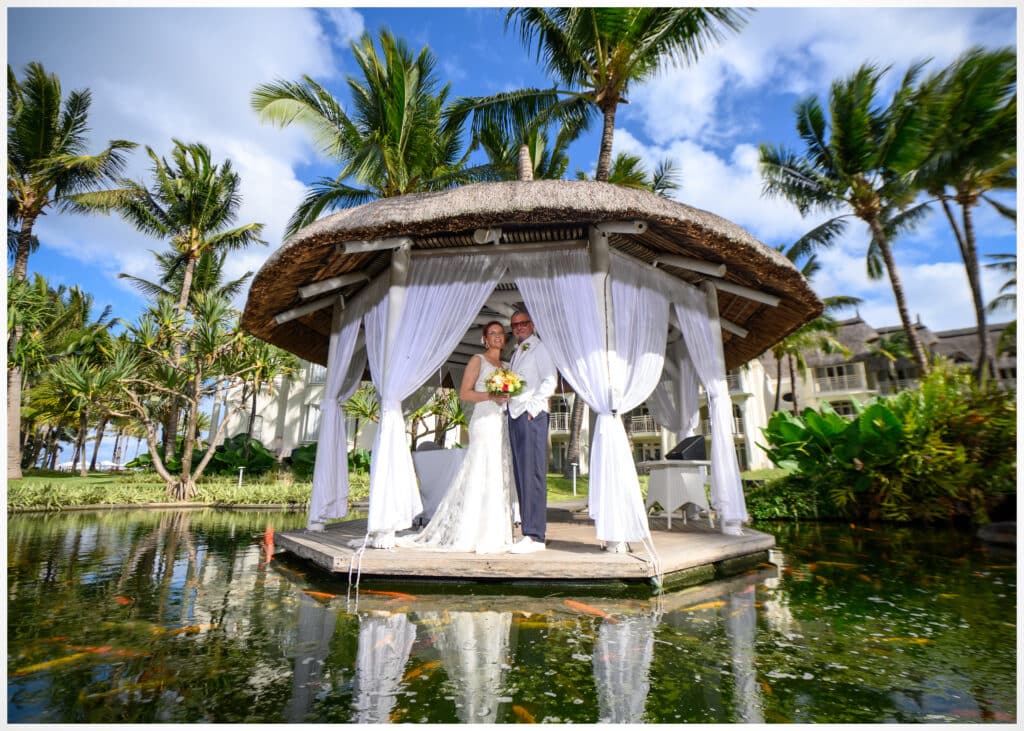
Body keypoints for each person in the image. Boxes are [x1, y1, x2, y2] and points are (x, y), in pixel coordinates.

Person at [397, 321, 518, 553]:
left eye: (500, 333)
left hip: (501, 423)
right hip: (483, 422)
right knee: (481, 470)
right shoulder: (477, 360)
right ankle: (471, 532)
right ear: (485, 339)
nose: (497, 336)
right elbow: (465, 393)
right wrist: (491, 396)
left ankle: (493, 531)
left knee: (498, 471)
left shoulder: (506, 366)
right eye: (492, 333)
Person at [506, 309, 558, 554]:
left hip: (531, 416)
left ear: (533, 324)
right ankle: (528, 532)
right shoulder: (517, 352)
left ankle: (536, 536)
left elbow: (550, 380)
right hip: (515, 415)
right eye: (515, 325)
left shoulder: (541, 348)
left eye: (523, 323)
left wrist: (533, 408)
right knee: (522, 475)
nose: (519, 327)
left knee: (533, 475)